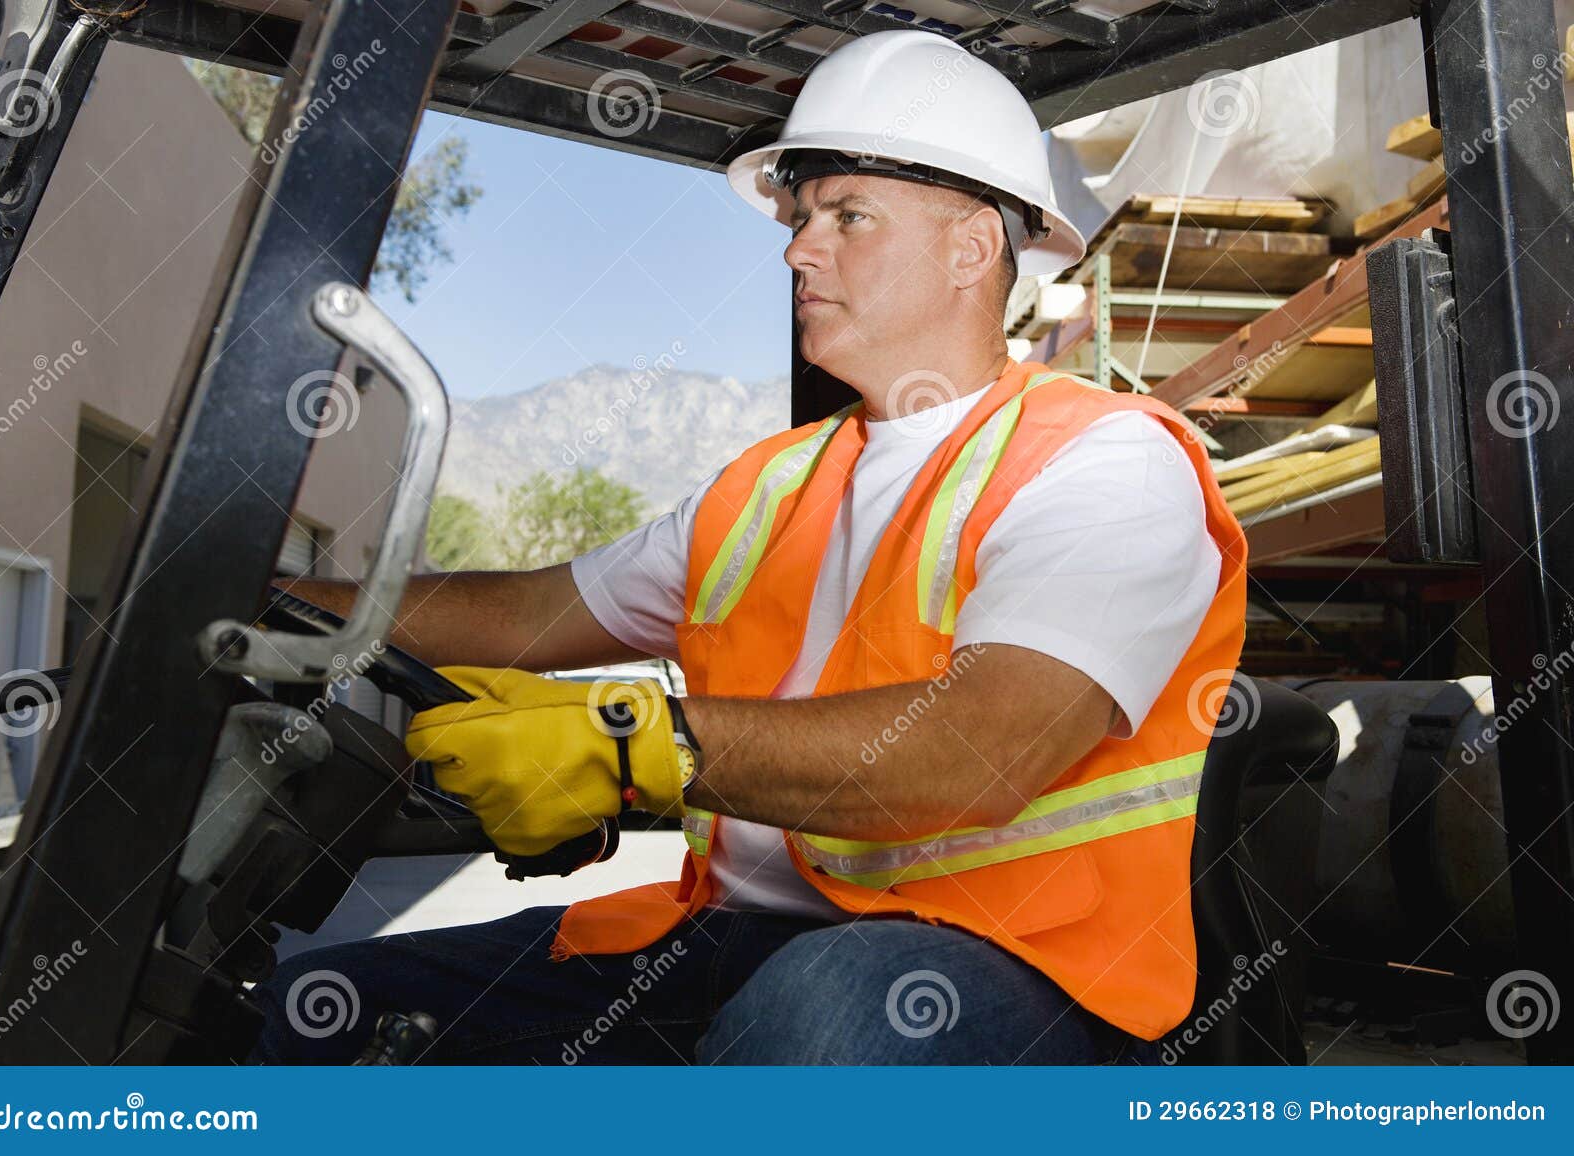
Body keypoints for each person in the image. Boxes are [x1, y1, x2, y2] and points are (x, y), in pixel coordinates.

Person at [252, 29, 1246, 1065]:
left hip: (1016, 975)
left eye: (846, 217)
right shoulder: (766, 487)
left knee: (828, 1016)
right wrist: (238, 598)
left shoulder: (1104, 462)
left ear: (972, 245)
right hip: (735, 942)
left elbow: (978, 747)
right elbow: (518, 615)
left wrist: (639, 745)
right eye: (799, 217)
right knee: (316, 1005)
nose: (797, 250)